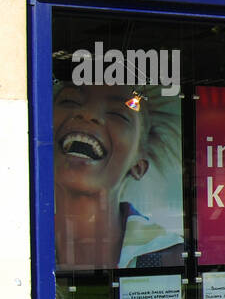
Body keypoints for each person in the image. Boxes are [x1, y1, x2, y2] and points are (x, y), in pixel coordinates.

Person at [53, 79, 182, 269]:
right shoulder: (16, 244)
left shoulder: (169, 253)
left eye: (117, 114)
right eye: (69, 101)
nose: (88, 115)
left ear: (139, 166)